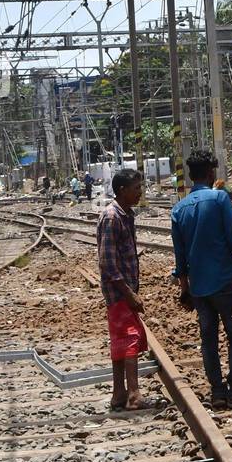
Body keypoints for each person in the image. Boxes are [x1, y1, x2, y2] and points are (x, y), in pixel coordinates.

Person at [171, 149, 232, 410]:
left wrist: (185, 289)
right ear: (210, 173)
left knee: (208, 338)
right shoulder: (219, 199)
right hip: (224, 282)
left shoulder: (178, 209)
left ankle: (217, 392)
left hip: (199, 288)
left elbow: (179, 258)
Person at [96, 168, 146, 412]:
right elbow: (107, 262)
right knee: (130, 339)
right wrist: (129, 293)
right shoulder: (112, 217)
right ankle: (133, 394)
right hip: (119, 292)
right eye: (136, 188)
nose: (140, 192)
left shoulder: (127, 215)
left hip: (123, 290)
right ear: (122, 190)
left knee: (121, 339)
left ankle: (119, 394)